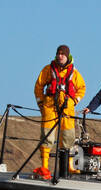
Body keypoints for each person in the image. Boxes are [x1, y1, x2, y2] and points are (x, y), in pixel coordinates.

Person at [33, 45, 86, 179]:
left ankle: (68, 165)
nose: (60, 56)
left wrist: (75, 101)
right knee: (47, 136)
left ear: (67, 56)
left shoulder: (74, 73)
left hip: (67, 107)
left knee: (68, 136)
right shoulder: (48, 69)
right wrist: (41, 103)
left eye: (63, 54)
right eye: (58, 53)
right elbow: (38, 86)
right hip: (50, 106)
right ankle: (44, 167)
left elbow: (82, 88)